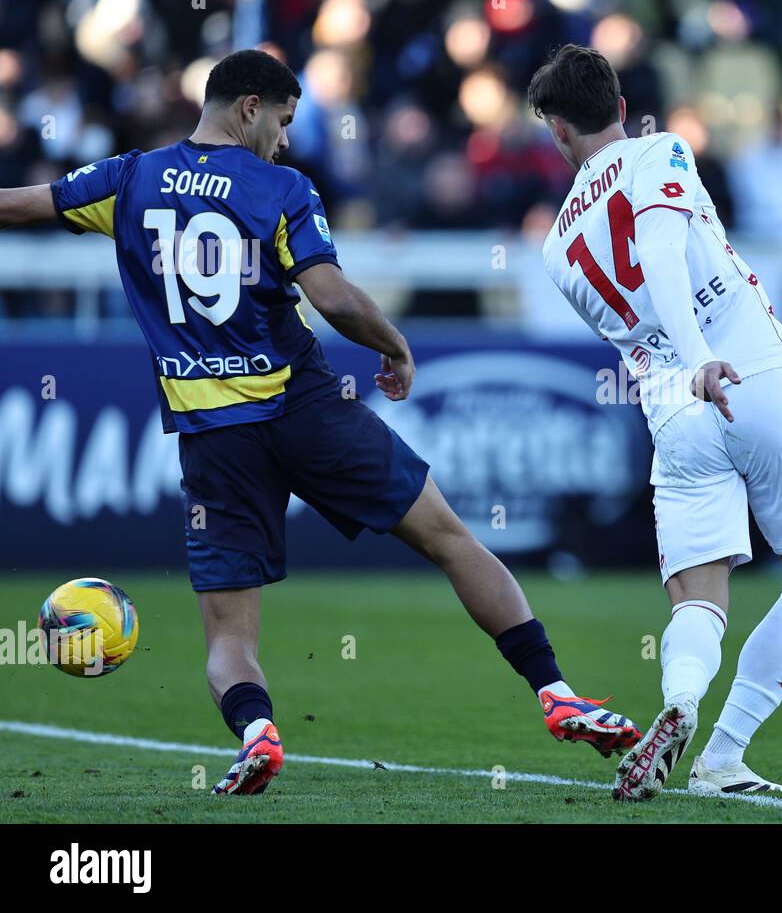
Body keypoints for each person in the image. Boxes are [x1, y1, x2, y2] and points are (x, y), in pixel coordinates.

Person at [0, 48, 640, 795]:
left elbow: (20, 204)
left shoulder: (129, 178)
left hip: (214, 438)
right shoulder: (282, 188)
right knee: (450, 539)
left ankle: (257, 730)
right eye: (281, 120)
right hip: (306, 408)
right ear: (248, 107)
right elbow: (332, 298)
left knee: (230, 634)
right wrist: (394, 345)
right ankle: (555, 692)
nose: (284, 138)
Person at [529, 45, 782, 800]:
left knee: (698, 598)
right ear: (617, 105)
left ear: (556, 132)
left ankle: (678, 703)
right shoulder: (658, 151)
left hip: (674, 415)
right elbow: (665, 255)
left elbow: (641, 326)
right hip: (741, 381)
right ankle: (723, 754)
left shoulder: (554, 248)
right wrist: (708, 355)